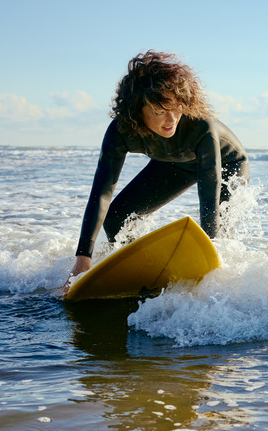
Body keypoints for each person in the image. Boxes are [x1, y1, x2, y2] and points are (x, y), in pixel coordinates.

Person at [64, 50, 249, 286]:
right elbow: (102, 190)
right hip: (173, 163)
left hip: (226, 166)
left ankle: (225, 281)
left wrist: (209, 254)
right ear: (136, 111)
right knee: (117, 219)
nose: (171, 120)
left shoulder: (200, 128)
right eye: (159, 112)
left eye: (176, 108)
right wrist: (83, 258)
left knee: (219, 233)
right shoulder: (121, 131)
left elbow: (208, 197)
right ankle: (143, 269)